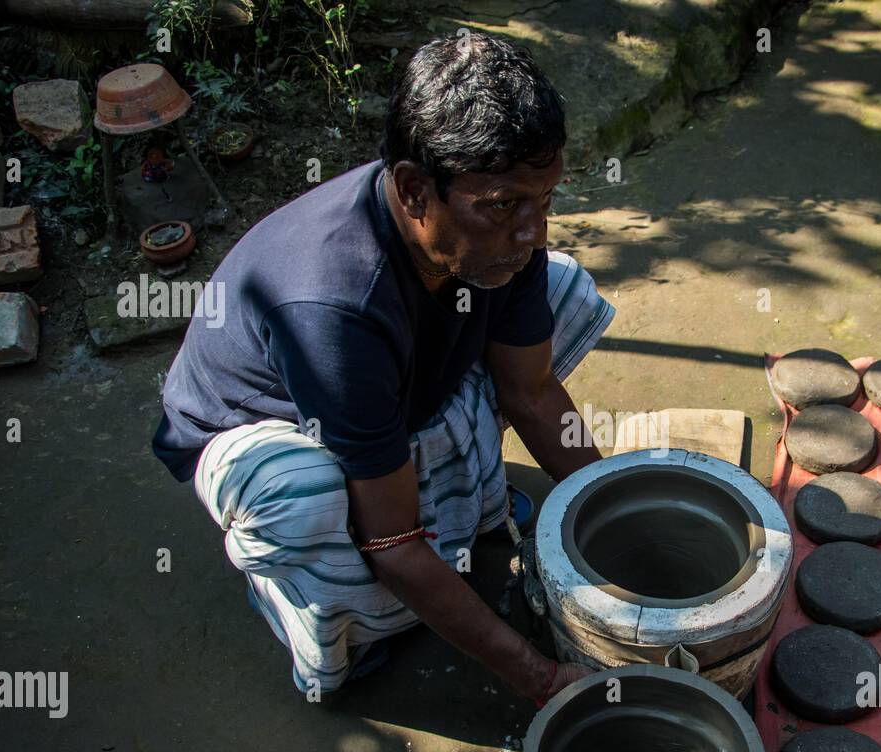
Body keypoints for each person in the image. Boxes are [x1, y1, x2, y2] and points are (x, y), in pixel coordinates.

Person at [151, 33, 611, 703]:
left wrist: (611, 508)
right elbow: (392, 539)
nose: (532, 230)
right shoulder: (332, 308)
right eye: (506, 205)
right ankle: (305, 603)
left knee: (563, 285)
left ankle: (464, 506)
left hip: (392, 387)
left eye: (543, 200)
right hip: (270, 434)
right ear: (413, 189)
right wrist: (539, 677)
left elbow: (533, 393)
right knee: (306, 498)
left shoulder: (499, 233)